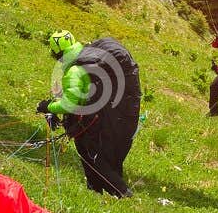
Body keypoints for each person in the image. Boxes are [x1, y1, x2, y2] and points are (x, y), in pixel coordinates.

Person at [36, 30, 140, 197]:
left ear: (57, 53)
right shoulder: (85, 56)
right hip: (107, 115)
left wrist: (48, 107)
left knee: (97, 159)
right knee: (86, 150)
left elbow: (69, 104)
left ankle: (124, 195)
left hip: (97, 120)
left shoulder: (74, 69)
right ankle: (95, 191)